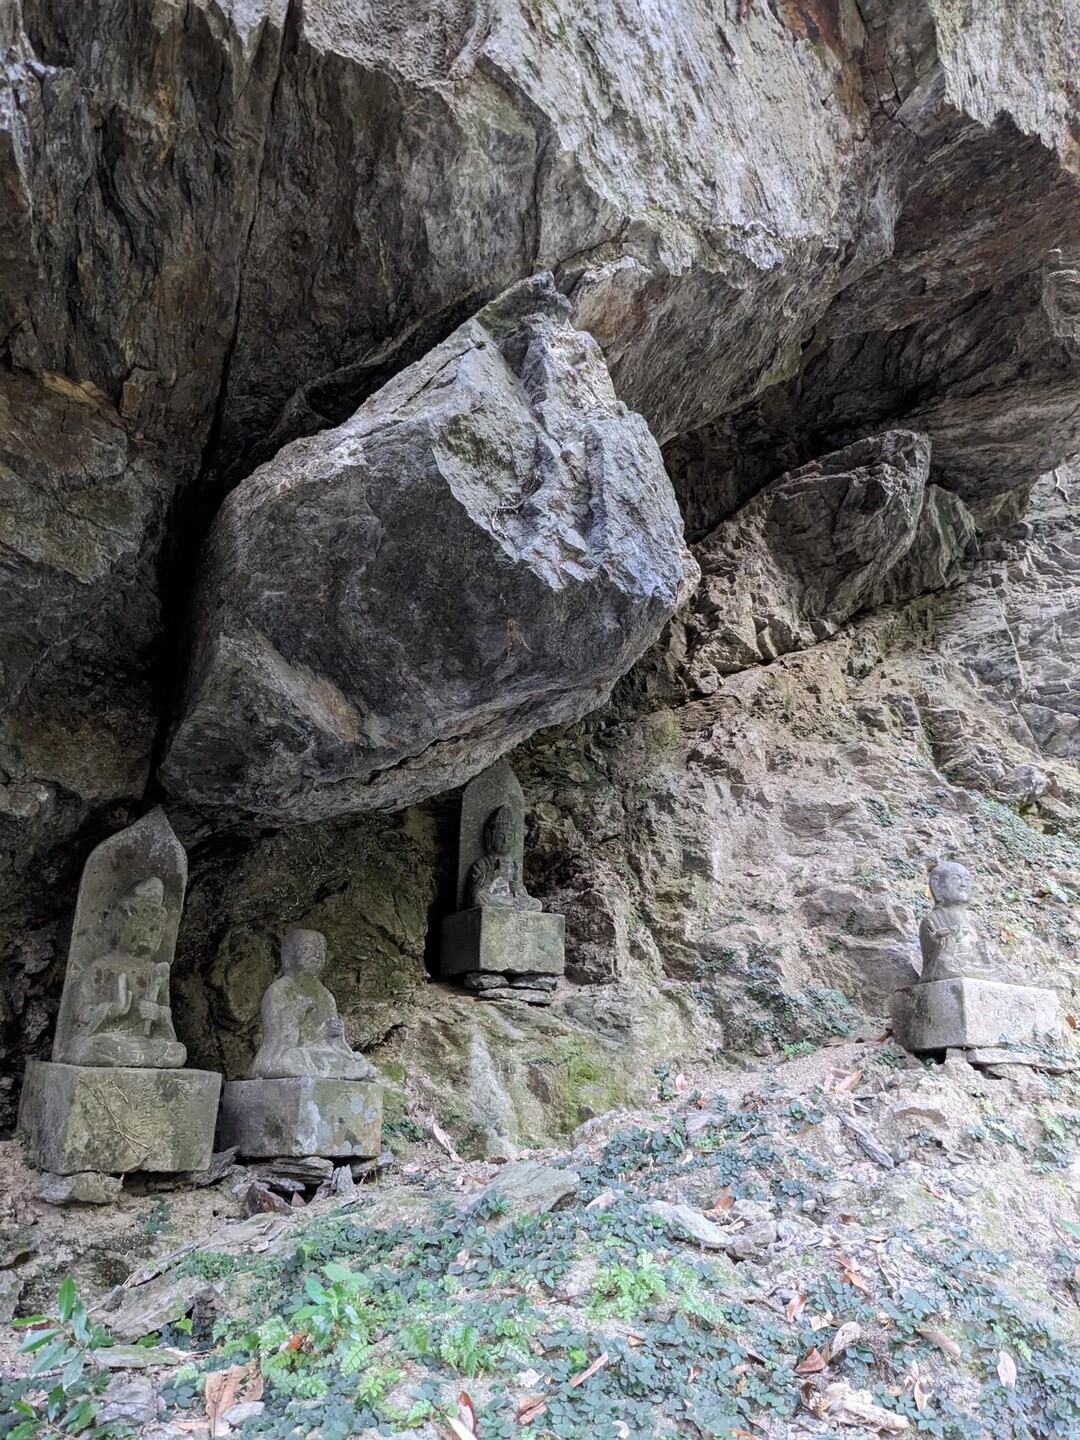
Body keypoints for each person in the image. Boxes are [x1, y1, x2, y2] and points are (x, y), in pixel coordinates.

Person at [63, 878, 187, 1067]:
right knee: (91, 1048)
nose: (147, 936)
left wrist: (158, 1014)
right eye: (140, 927)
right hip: (110, 1038)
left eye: (154, 930)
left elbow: (165, 1008)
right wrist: (112, 1010)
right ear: (121, 927)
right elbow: (82, 1011)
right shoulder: (102, 967)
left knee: (177, 1052)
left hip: (143, 1042)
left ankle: (138, 1057)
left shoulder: (156, 972)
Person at [250, 928, 375, 1080]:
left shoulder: (326, 996)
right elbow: (274, 1039)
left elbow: (329, 1041)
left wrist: (336, 1035)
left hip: (319, 1053)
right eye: (309, 949)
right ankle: (328, 1070)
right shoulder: (278, 990)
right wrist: (291, 1016)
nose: (316, 955)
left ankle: (332, 1070)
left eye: (321, 951)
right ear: (289, 955)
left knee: (354, 1061)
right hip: (289, 1052)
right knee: (291, 1060)